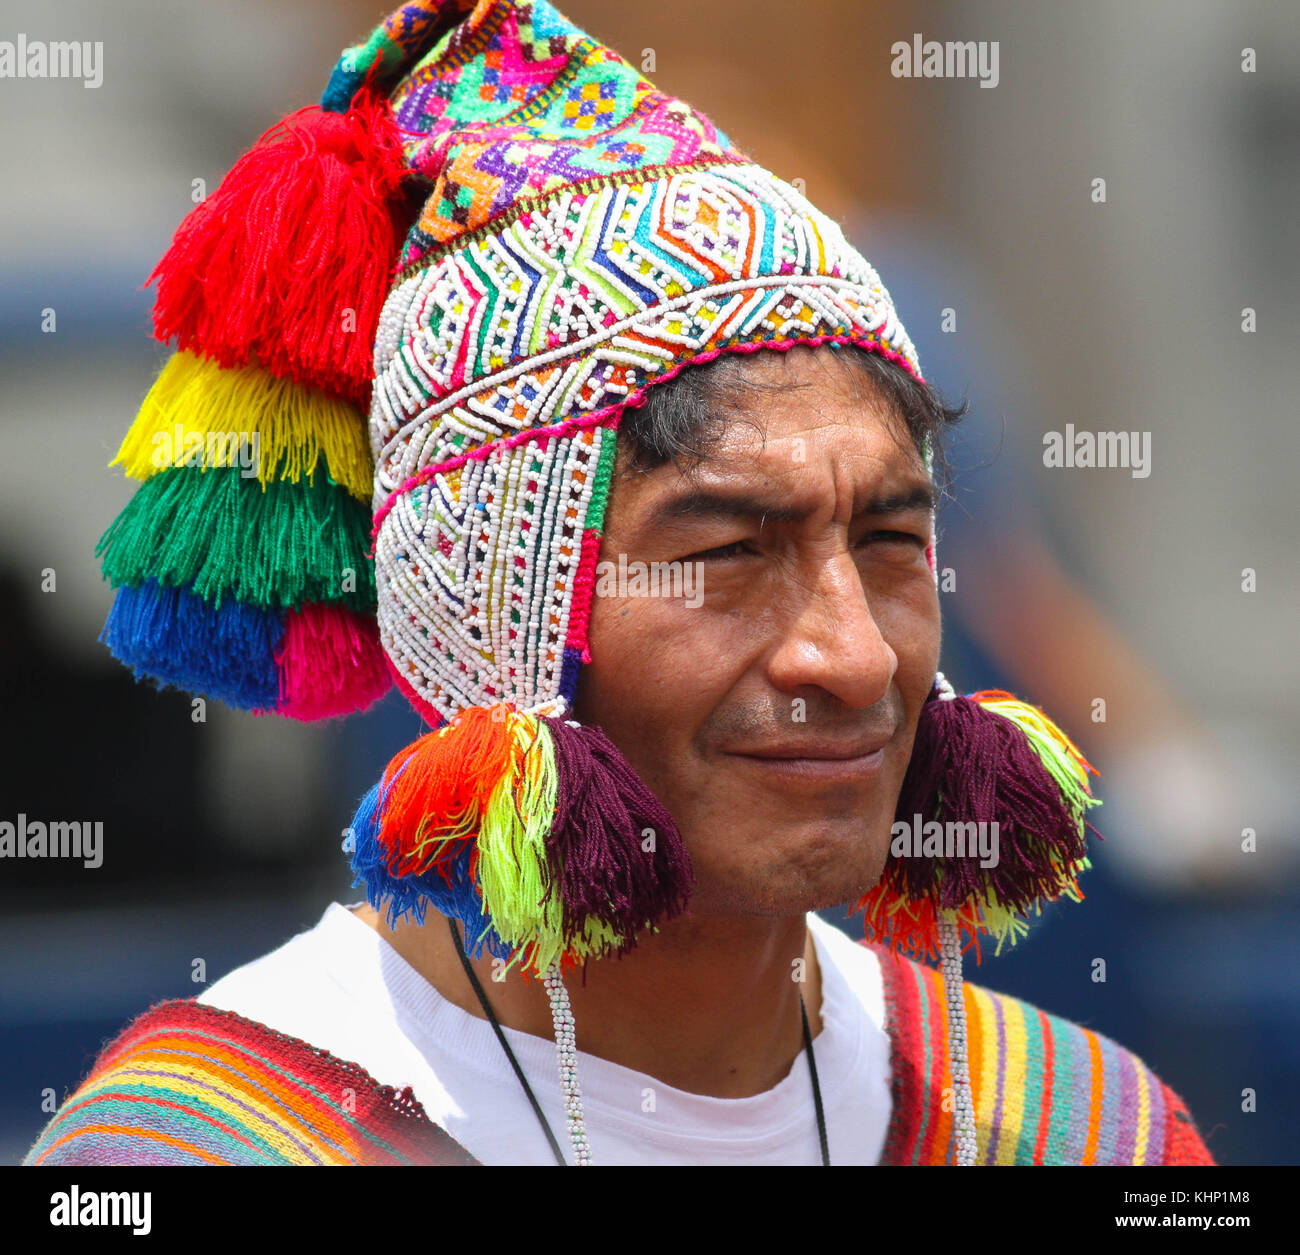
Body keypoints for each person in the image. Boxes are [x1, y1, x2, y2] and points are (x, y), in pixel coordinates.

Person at [26, 0, 1213, 1167]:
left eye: (889, 541)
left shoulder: (1077, 1124)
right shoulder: (189, 1149)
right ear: (487, 620)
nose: (852, 657)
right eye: (726, 553)